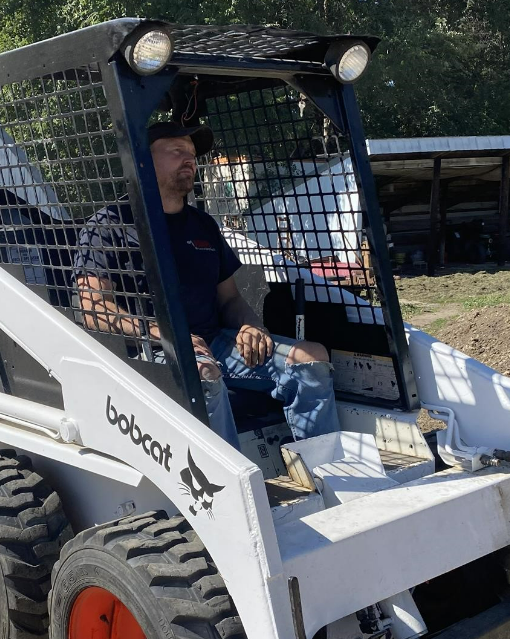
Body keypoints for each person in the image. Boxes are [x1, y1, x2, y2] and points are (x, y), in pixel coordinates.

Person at [73, 121, 339, 449]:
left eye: (192, 154)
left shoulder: (203, 225)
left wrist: (250, 325)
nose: (190, 160)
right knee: (204, 372)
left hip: (216, 342)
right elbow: (92, 309)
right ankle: (234, 491)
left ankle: (326, 473)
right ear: (142, 159)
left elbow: (229, 298)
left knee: (310, 355)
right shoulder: (108, 226)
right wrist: (164, 334)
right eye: (177, 151)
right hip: (151, 351)